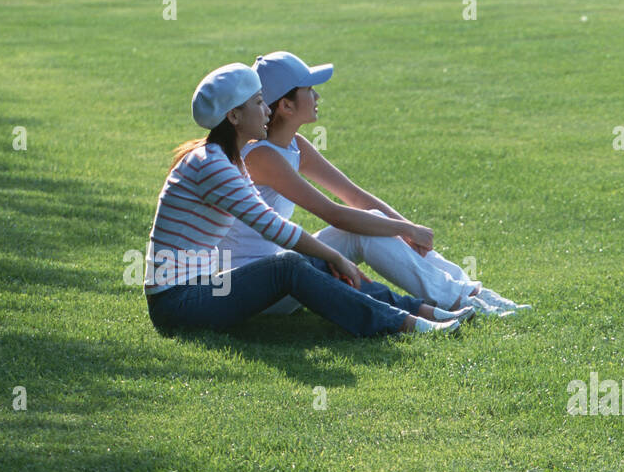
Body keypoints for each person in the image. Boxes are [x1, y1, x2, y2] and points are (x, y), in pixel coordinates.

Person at [145, 62, 470, 336]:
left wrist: (330, 257)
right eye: (258, 103)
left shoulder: (227, 159)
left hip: (204, 287)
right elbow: (274, 227)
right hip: (179, 304)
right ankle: (406, 324)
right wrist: (337, 257)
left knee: (302, 262)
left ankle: (425, 311)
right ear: (234, 117)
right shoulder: (211, 164)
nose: (267, 111)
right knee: (288, 266)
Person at [217, 51, 529, 318]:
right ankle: (459, 299)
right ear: (285, 106)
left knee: (378, 222)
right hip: (262, 287)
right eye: (310, 90)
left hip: (284, 267)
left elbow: (355, 196)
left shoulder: (295, 144)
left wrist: (409, 229)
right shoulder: (259, 157)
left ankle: (472, 291)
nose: (318, 96)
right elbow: (334, 214)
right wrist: (405, 230)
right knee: (369, 227)